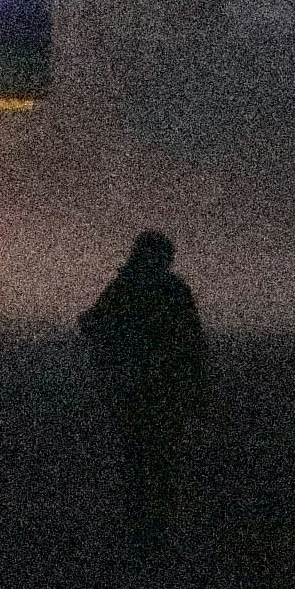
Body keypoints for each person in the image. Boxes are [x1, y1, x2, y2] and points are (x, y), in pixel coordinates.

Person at [74, 228, 211, 556]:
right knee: (158, 462)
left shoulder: (127, 288)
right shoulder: (171, 290)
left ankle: (144, 531)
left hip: (137, 391)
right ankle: (153, 532)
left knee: (141, 461)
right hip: (159, 393)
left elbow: (93, 325)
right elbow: (193, 345)